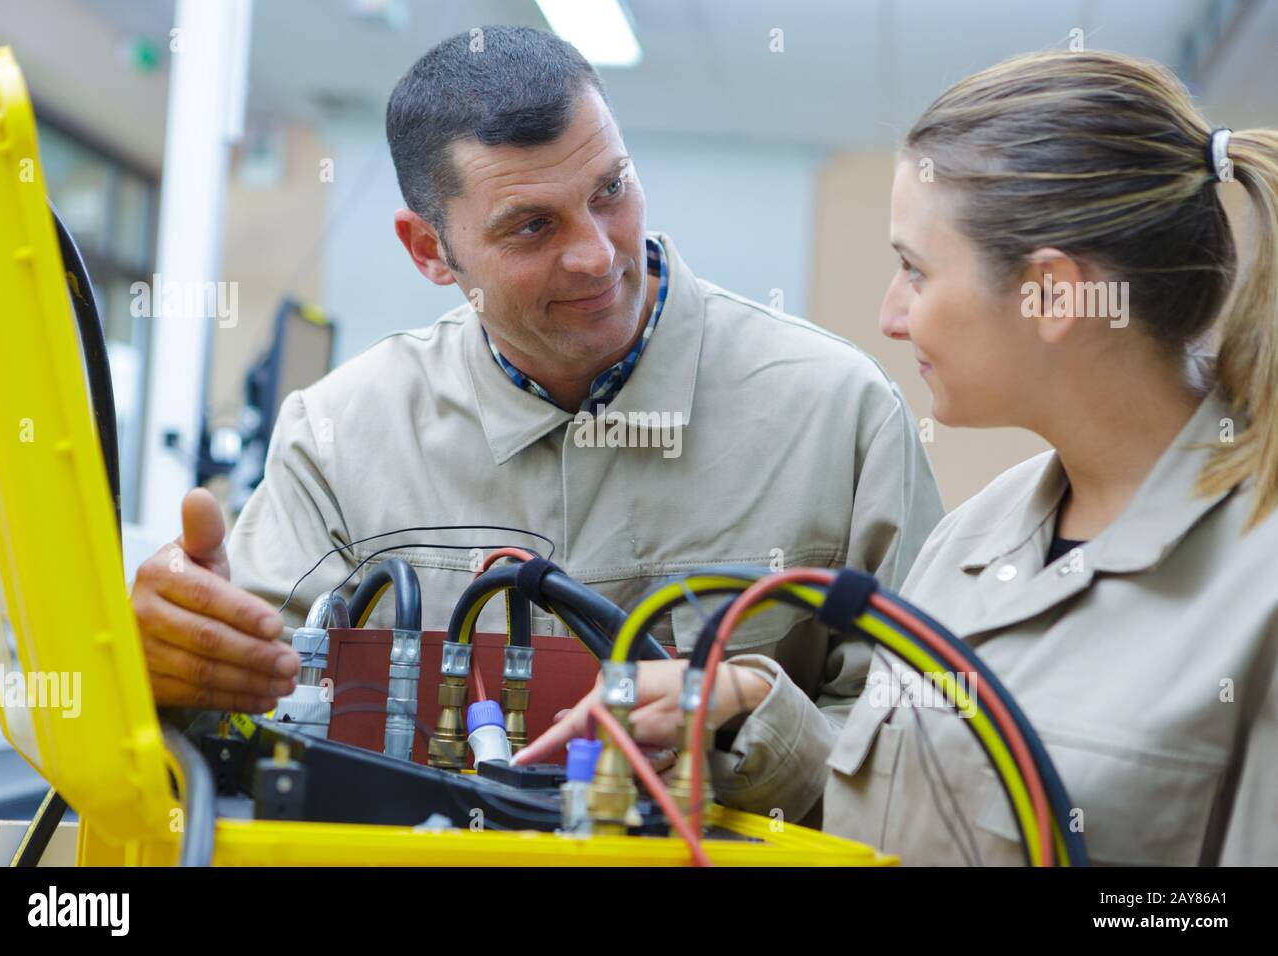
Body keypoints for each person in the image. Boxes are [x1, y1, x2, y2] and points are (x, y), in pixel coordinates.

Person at [520, 49, 1278, 865]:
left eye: (914, 270)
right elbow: (905, 819)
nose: (889, 316)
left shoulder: (1255, 591)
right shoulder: (973, 541)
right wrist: (744, 705)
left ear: (1056, 295)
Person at [130, 26, 943, 725]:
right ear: (428, 251)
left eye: (611, 190)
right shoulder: (341, 442)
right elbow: (246, 707)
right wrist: (173, 662)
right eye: (531, 226)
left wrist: (751, 724)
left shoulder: (840, 414)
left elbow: (931, 738)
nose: (596, 254)